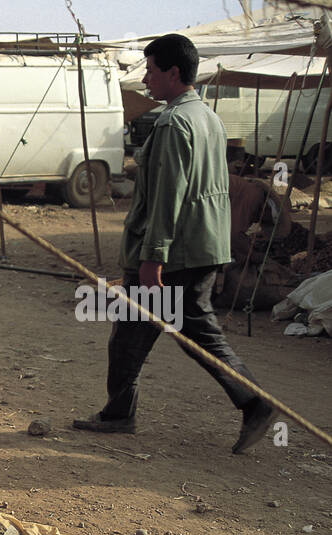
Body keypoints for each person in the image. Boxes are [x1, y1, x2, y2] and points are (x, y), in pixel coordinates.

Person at [72, 34, 273, 454]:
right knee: (138, 331)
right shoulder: (207, 118)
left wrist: (153, 259)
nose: (145, 79)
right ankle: (118, 413)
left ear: (173, 73)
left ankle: (255, 402)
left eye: (150, 70)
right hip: (202, 246)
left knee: (192, 332)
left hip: (175, 252)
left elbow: (167, 197)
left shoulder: (172, 123)